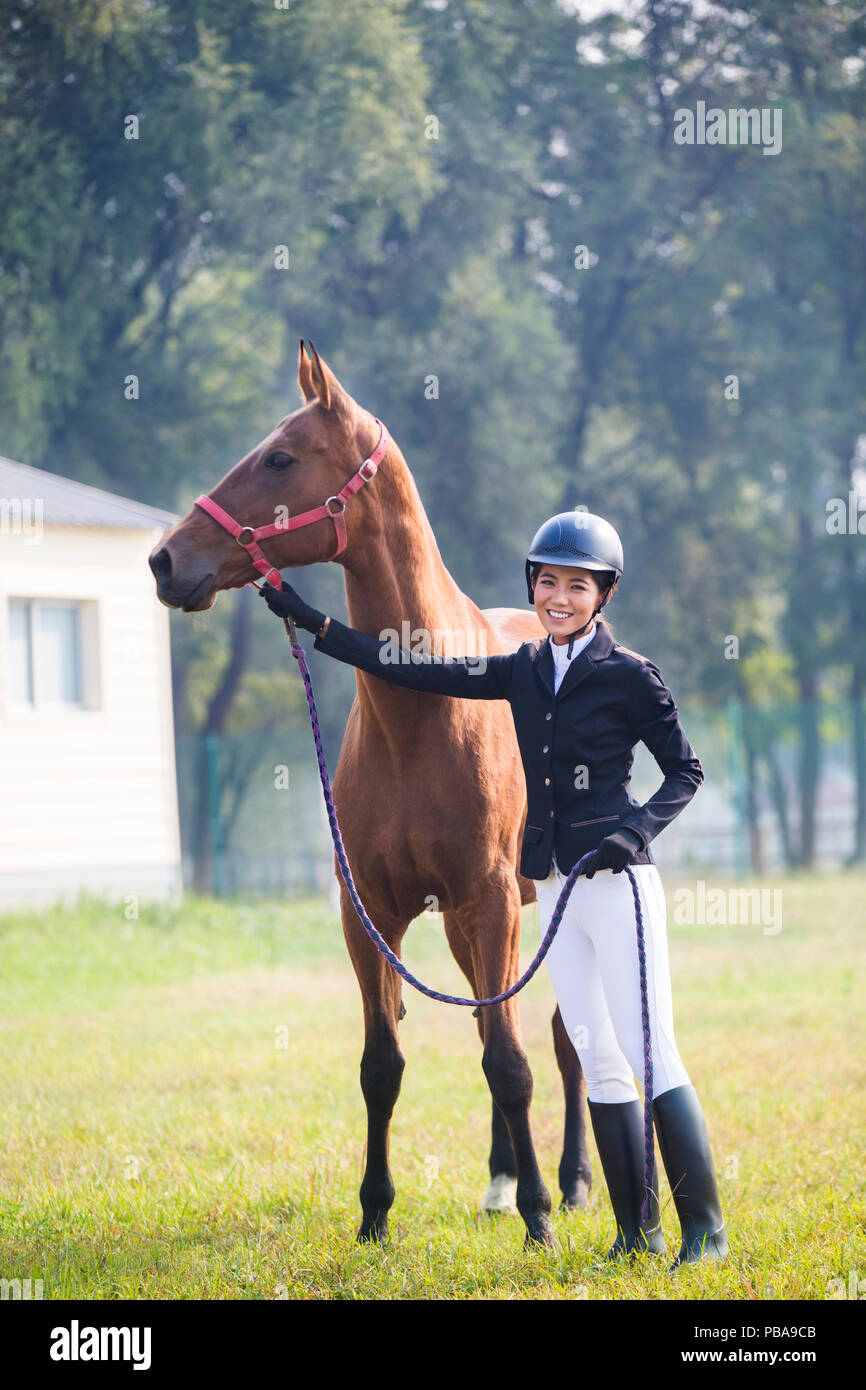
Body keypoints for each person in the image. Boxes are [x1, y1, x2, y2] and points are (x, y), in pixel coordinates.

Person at [259, 510, 728, 1268]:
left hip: (618, 883)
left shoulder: (630, 675)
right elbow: (411, 668)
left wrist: (636, 832)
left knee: (650, 1051)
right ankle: (635, 1230)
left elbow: (687, 771)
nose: (559, 597)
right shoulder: (522, 668)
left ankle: (705, 1233)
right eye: (548, 583)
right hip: (552, 888)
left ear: (603, 594)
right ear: (532, 588)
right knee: (599, 1057)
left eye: (577, 586)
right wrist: (312, 621)